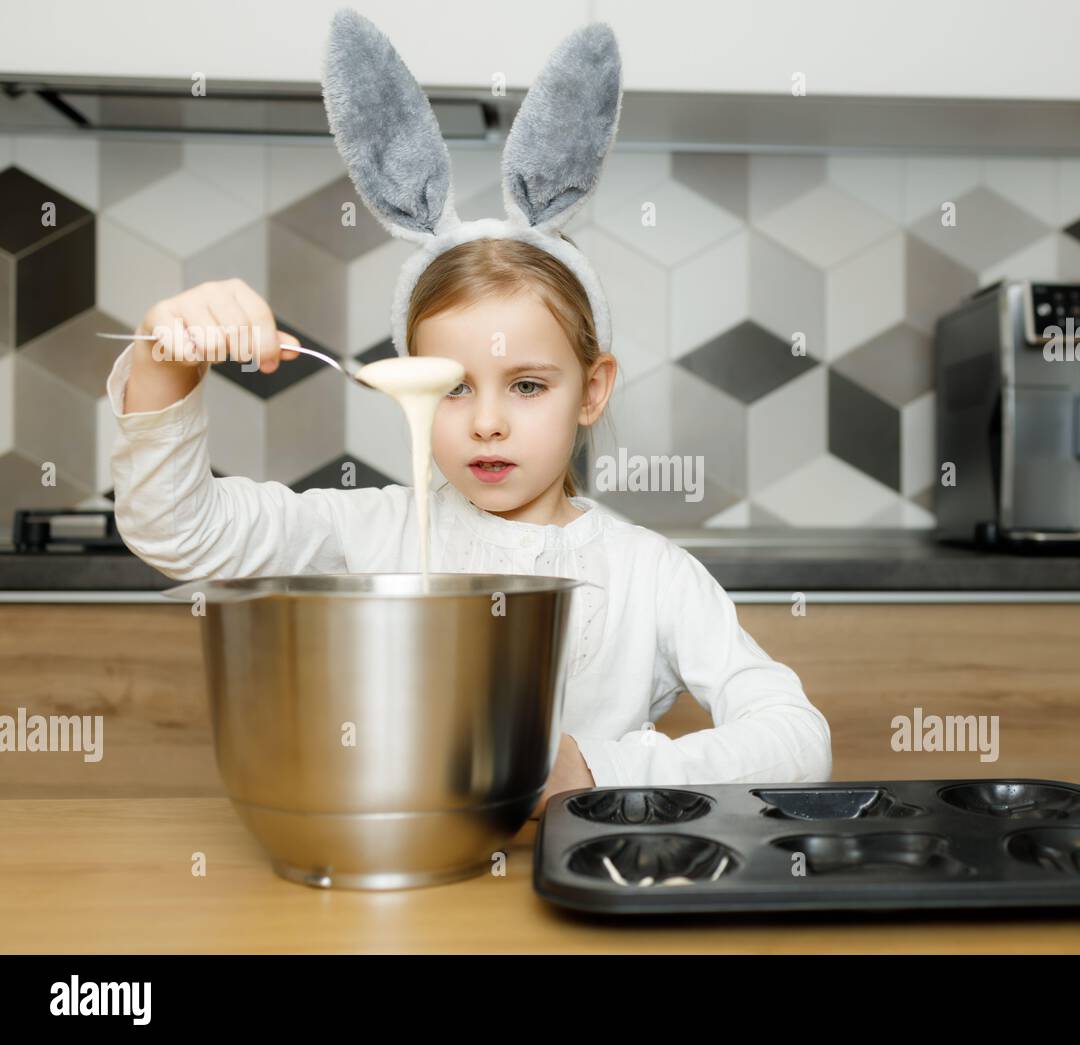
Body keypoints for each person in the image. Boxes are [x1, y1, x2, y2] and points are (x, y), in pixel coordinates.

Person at [104, 12, 833, 816]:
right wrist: (164, 364)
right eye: (452, 385)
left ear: (592, 390)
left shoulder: (648, 576)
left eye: (526, 385)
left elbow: (798, 739)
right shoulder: (369, 535)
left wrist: (600, 766)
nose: (486, 422)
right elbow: (177, 532)